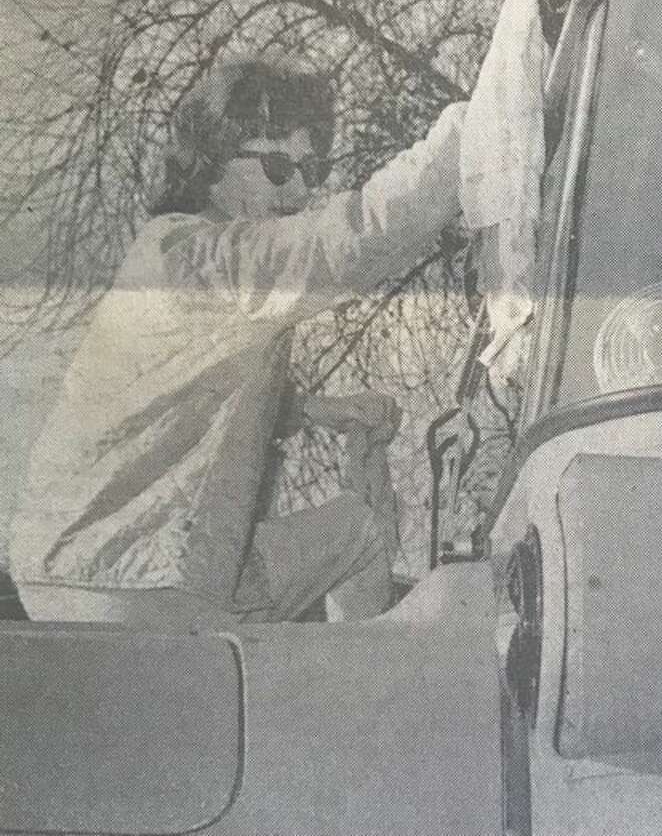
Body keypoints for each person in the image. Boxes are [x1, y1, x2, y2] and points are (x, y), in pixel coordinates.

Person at [8, 57, 466, 629]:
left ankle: (345, 688)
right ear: (214, 160)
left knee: (355, 531)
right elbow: (346, 242)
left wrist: (312, 410)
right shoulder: (195, 255)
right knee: (359, 536)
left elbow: (178, 398)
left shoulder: (170, 258)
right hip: (131, 574)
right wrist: (471, 133)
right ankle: (358, 700)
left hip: (83, 565)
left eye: (310, 169)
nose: (298, 191)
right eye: (277, 166)